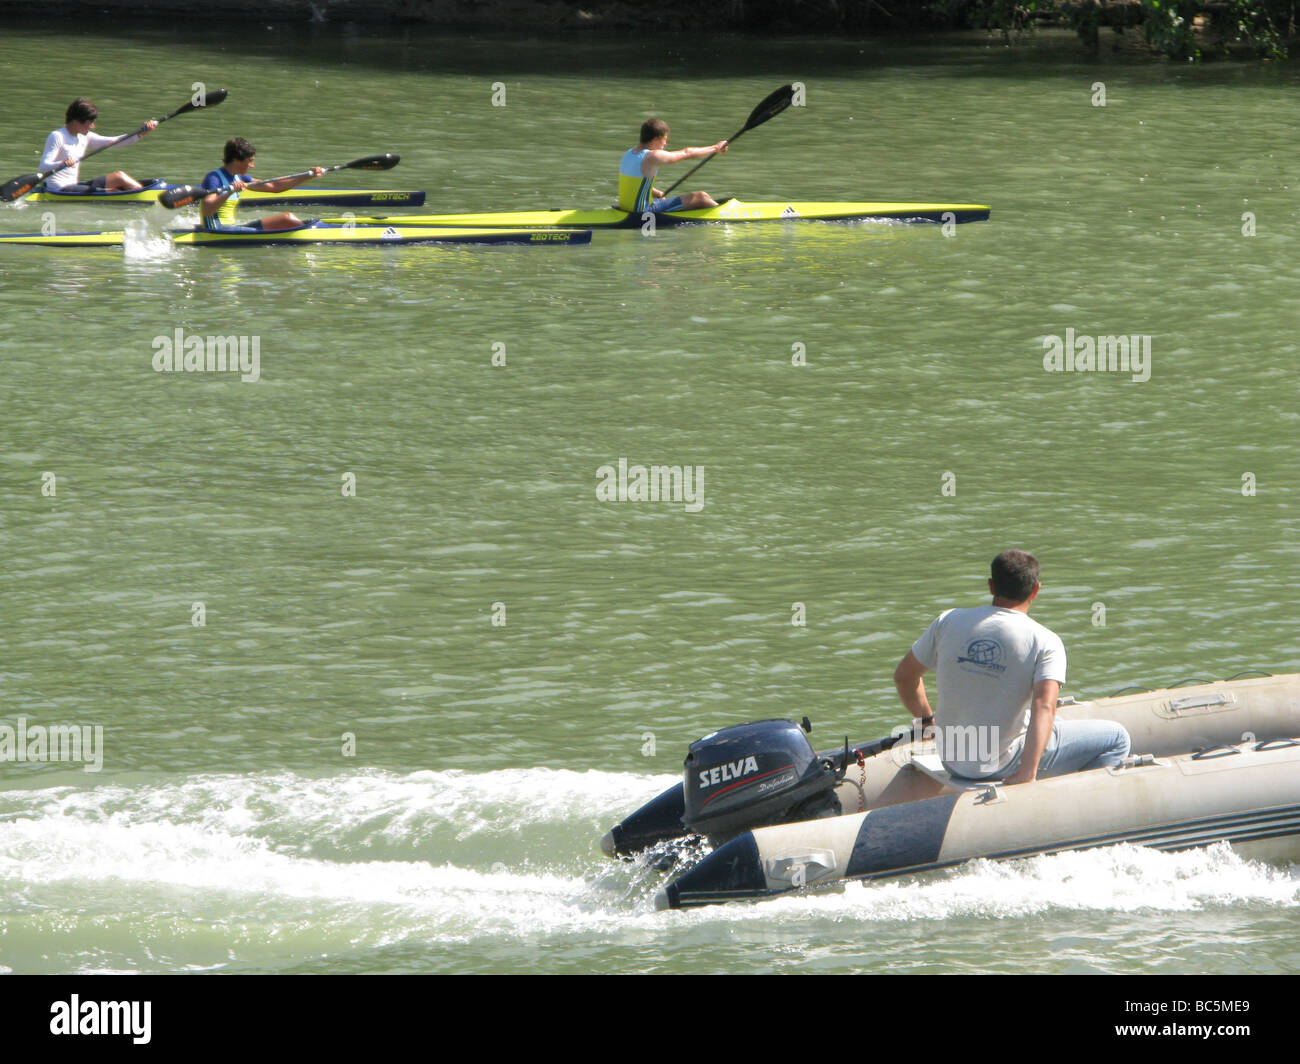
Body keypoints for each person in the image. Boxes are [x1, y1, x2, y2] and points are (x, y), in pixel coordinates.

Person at [893, 550, 1130, 785]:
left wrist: (926, 720)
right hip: (1000, 765)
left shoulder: (948, 620)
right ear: (1036, 590)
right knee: (1117, 737)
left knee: (1057, 725)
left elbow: (904, 677)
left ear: (991, 586)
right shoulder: (1046, 641)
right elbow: (1044, 705)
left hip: (950, 759)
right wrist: (1027, 772)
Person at [200, 138, 325, 232]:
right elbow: (207, 210)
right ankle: (314, 232)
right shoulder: (214, 178)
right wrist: (229, 192)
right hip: (217, 231)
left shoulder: (240, 177)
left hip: (232, 229)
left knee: (288, 219)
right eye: (250, 161)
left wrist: (308, 175)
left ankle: (312, 228)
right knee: (287, 218)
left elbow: (275, 186)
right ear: (236, 160)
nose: (252, 166)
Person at [41, 98, 157, 193]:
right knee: (113, 191)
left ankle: (143, 193)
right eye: (90, 122)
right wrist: (62, 164)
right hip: (60, 189)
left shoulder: (84, 137)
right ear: (76, 122)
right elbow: (43, 167)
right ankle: (143, 195)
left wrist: (141, 133)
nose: (93, 127)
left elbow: (115, 142)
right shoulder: (57, 136)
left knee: (119, 176)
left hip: (74, 185)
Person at [617, 118, 728, 215]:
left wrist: (656, 193)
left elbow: (633, 184)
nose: (665, 143)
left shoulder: (630, 153)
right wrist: (715, 148)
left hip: (626, 208)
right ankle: (726, 216)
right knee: (701, 197)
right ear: (656, 139)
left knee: (685, 199)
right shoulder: (652, 156)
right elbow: (686, 153)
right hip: (643, 211)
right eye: (665, 139)